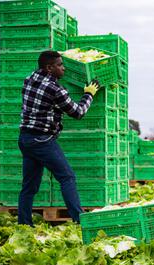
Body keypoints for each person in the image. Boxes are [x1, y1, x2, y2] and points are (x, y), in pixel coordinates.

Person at [18, 50, 100, 226]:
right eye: (60, 65)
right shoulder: (56, 90)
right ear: (49, 67)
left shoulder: (30, 78)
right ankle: (80, 221)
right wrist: (89, 94)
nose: (64, 68)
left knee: (29, 187)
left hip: (25, 138)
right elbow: (78, 112)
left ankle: (24, 225)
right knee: (67, 177)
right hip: (42, 141)